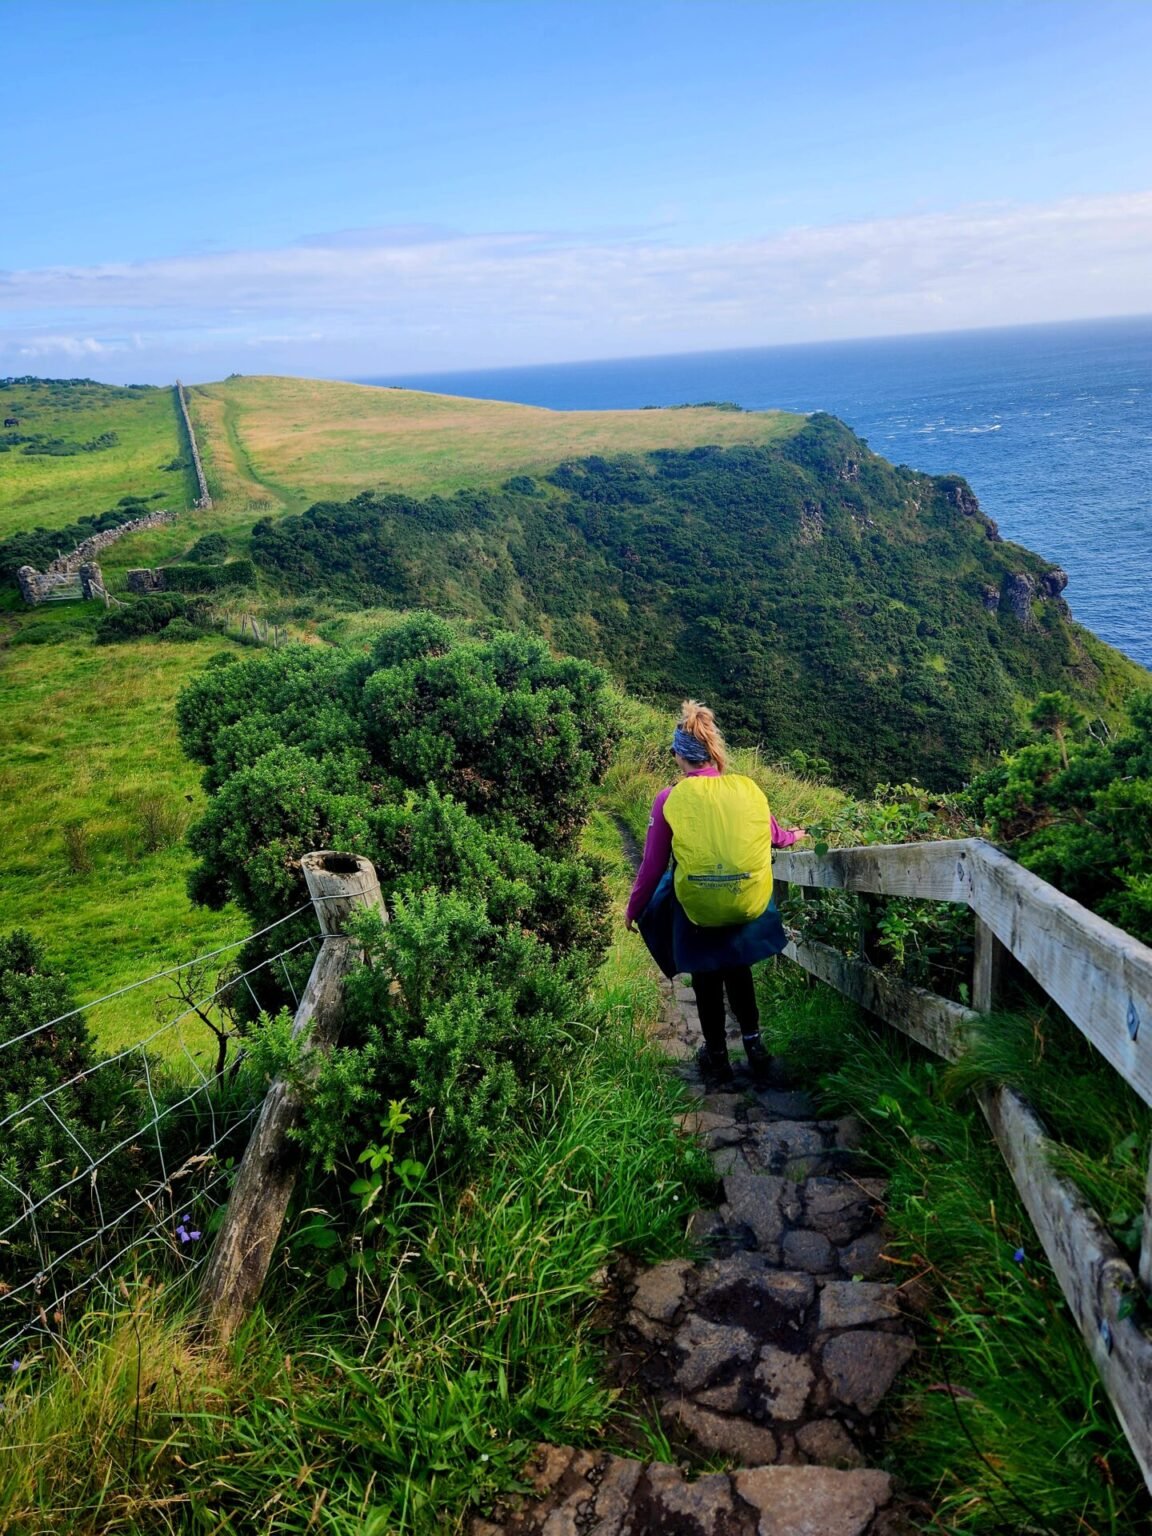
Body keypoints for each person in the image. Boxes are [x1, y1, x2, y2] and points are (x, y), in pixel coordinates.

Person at [625, 700, 807, 1087]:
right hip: (742, 900)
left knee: (706, 978)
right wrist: (798, 835)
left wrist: (633, 908)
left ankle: (718, 1058)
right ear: (711, 753)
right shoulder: (746, 790)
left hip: (696, 909)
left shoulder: (670, 798)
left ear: (679, 755)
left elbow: (652, 866)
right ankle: (755, 1048)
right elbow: (777, 837)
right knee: (738, 970)